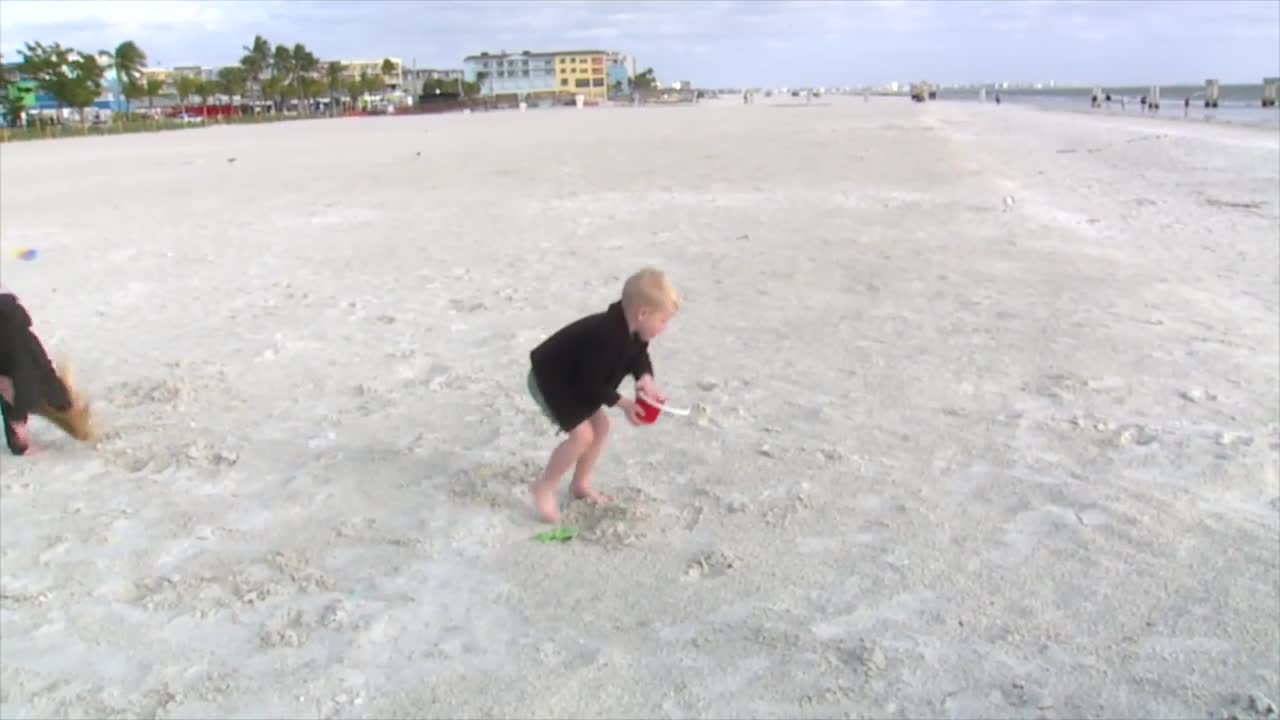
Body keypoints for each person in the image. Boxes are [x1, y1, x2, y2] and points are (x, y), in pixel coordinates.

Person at [525, 267, 680, 523]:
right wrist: (626, 404)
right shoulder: (606, 335)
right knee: (582, 436)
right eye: (663, 320)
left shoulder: (632, 329)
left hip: (576, 377)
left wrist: (645, 379)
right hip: (551, 379)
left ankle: (580, 484)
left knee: (601, 426)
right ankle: (543, 487)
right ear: (643, 313)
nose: (664, 328)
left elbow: (639, 356)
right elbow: (590, 384)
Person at [0, 287, 95, 455]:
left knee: (59, 400)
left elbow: (24, 378)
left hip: (32, 372)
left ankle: (73, 419)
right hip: (21, 373)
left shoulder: (16, 348)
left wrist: (17, 420)